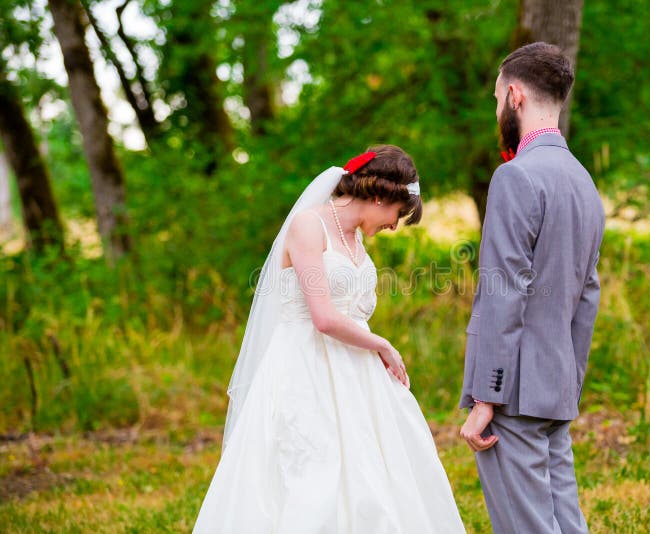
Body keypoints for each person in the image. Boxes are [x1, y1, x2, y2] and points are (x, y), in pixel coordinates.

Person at [194, 145, 465, 533]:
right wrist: (382, 345)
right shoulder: (308, 226)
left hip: (355, 374)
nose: (394, 225)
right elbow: (322, 317)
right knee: (312, 472)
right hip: (306, 368)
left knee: (372, 471)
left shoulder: (354, 238)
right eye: (396, 214)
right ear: (378, 196)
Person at [459, 42, 605, 533]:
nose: (497, 109)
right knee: (565, 520)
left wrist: (486, 398)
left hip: (514, 394)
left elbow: (504, 292)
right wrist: (569, 379)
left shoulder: (515, 176)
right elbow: (588, 293)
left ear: (515, 95)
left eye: (497, 98)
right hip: (555, 385)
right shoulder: (584, 182)